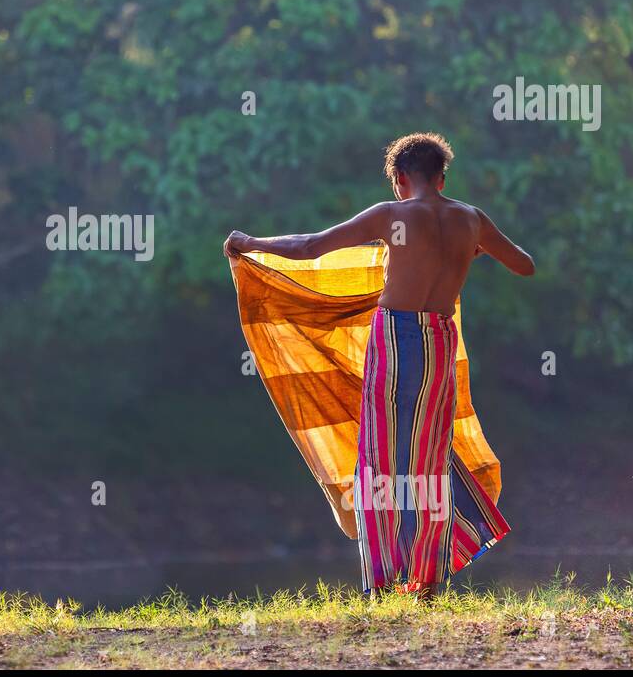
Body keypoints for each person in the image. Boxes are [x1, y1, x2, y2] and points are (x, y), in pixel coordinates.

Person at [223, 133, 534, 599]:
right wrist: (473, 247)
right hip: (439, 344)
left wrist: (251, 242)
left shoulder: (393, 215)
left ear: (401, 180)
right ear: (442, 177)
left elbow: (311, 246)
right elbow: (525, 265)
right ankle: (427, 581)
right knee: (428, 461)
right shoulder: (471, 219)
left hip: (396, 338)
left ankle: (385, 581)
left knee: (381, 461)